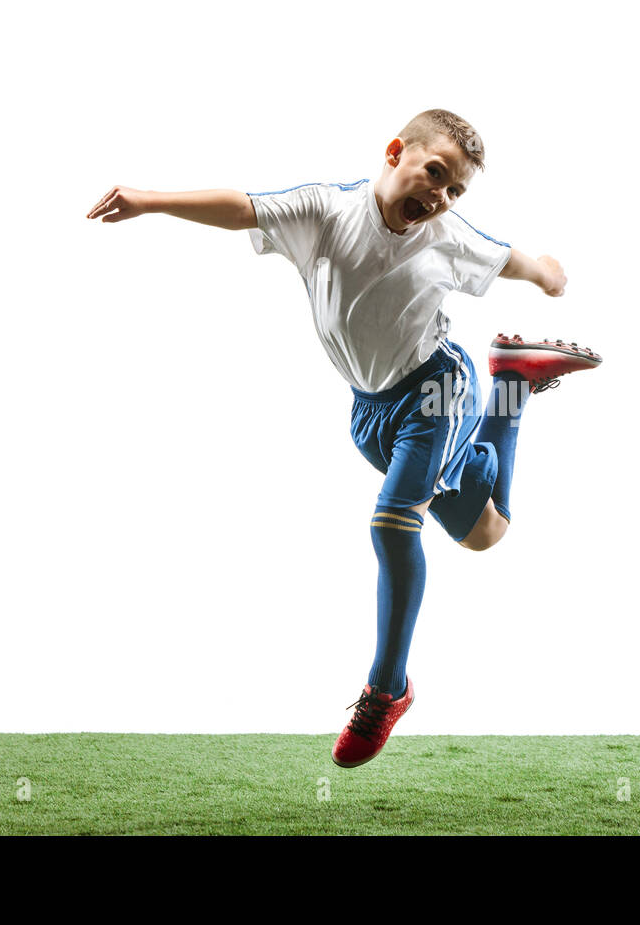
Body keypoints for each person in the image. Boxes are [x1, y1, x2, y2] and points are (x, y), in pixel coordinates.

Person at [87, 109, 601, 767]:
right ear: (395, 153)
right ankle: (513, 385)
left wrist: (548, 274)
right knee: (484, 534)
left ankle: (387, 690)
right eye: (434, 173)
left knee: (393, 524)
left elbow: (510, 259)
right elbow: (241, 207)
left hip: (438, 390)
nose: (439, 195)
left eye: (454, 189)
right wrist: (148, 201)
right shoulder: (325, 211)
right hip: (371, 414)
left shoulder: (445, 232)